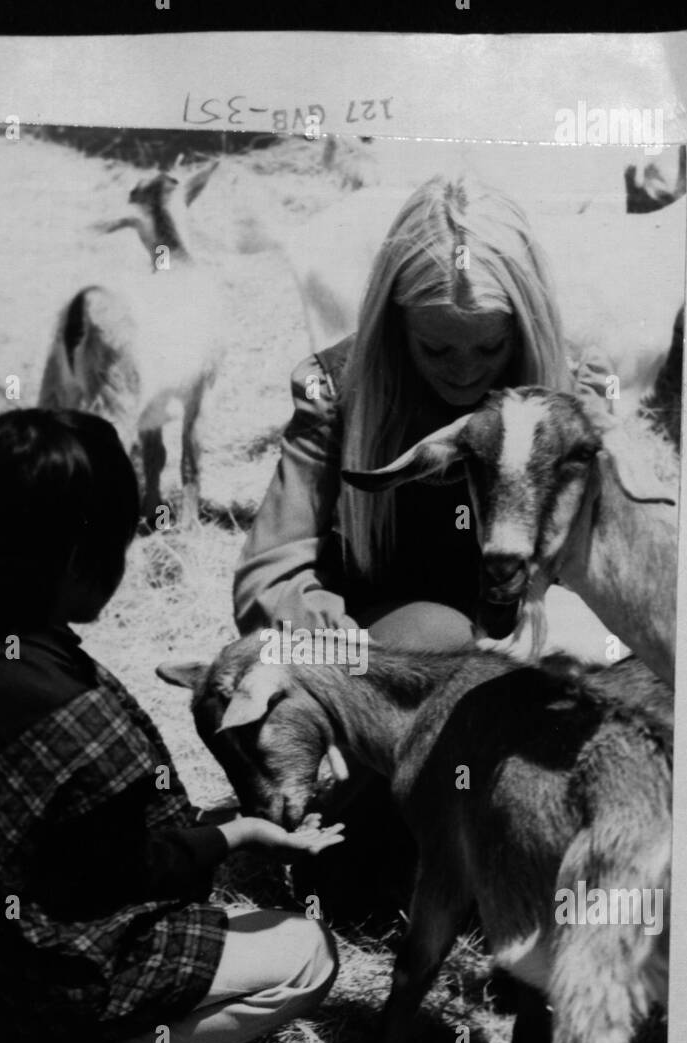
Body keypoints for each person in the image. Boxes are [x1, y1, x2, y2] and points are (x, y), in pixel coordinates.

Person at [232, 172, 614, 930]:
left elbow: (612, 550)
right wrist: (312, 617)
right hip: (393, 660)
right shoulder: (335, 390)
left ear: (526, 328)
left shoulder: (576, 388)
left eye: (490, 348)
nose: (465, 371)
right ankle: (375, 838)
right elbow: (270, 566)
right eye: (435, 346)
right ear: (391, 319)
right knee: (435, 638)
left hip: (530, 651)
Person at [0, 408, 343, 1043]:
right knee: (310, 953)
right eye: (122, 540)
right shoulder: (80, 716)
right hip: (51, 976)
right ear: (81, 560)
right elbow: (132, 875)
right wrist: (238, 836)